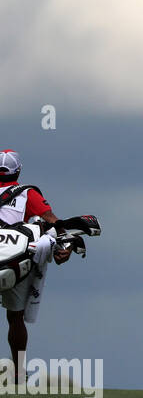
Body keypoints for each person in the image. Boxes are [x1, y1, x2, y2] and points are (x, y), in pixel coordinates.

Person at [0, 149, 71, 370]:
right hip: (14, 261)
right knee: (15, 317)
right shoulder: (26, 193)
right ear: (18, 170)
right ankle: (19, 373)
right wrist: (65, 246)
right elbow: (53, 222)